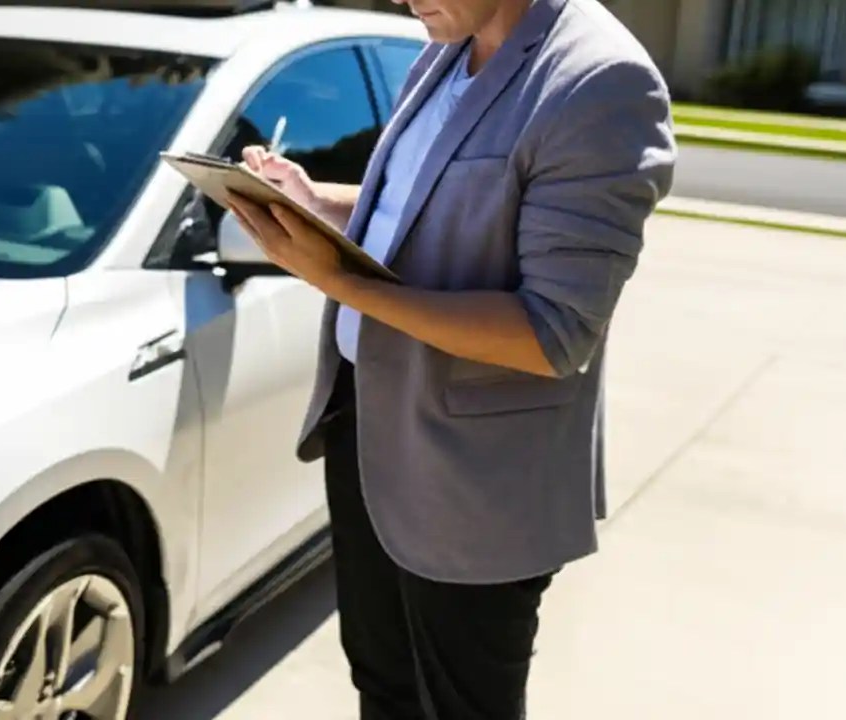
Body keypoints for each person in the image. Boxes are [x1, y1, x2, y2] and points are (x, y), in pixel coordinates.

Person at [225, 0, 676, 717]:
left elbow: (551, 333)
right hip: (369, 431)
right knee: (384, 688)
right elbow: (415, 205)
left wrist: (336, 280)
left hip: (474, 482)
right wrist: (315, 202)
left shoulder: (601, 80)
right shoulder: (450, 43)